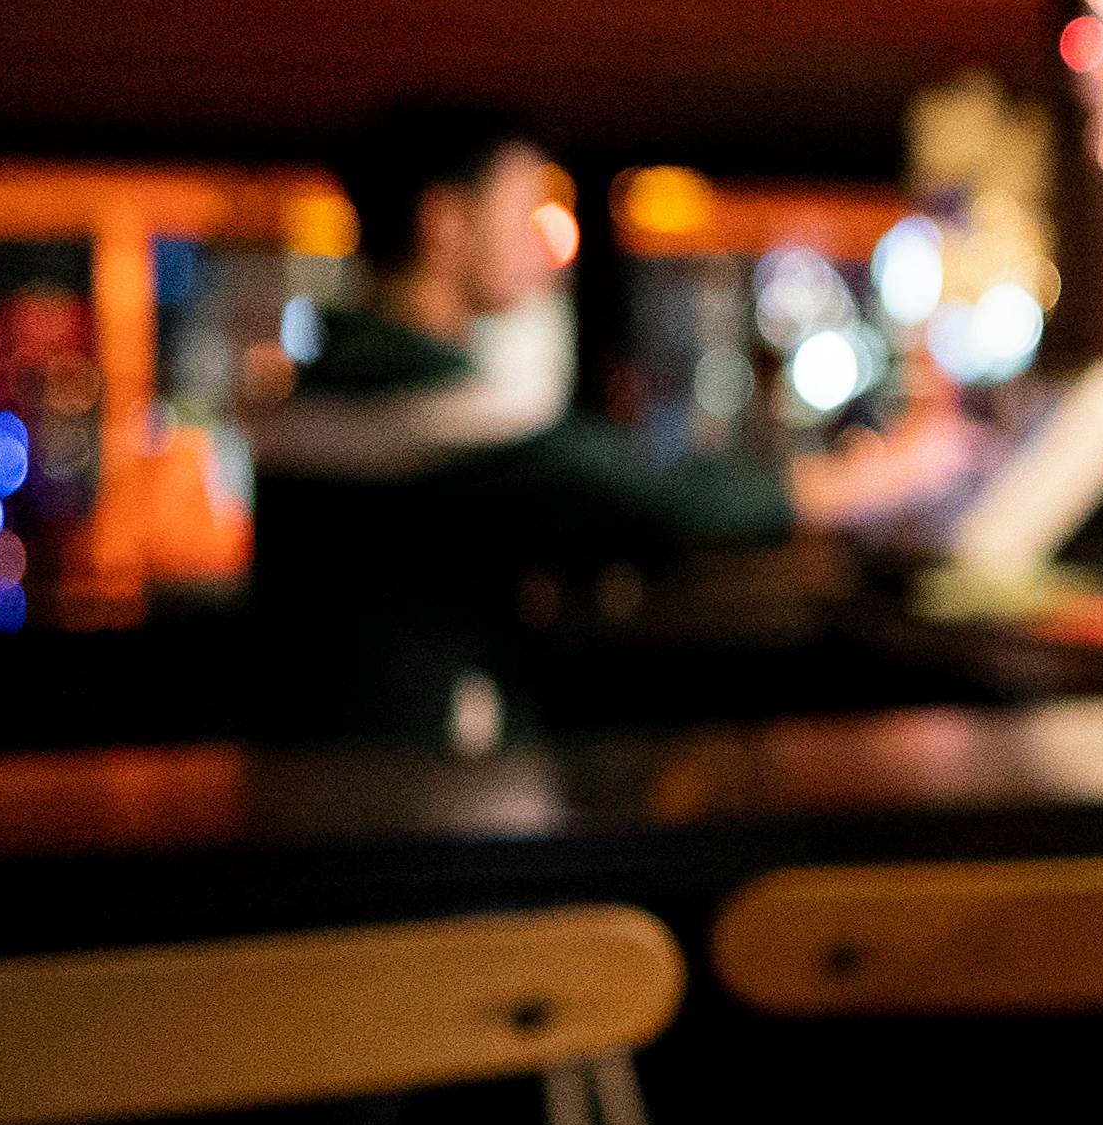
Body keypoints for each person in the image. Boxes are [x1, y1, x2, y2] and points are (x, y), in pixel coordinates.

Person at [249, 98, 969, 744]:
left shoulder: (318, 388)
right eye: (525, 212)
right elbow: (655, 495)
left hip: (313, 774)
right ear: (445, 222)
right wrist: (876, 477)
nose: (543, 248)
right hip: (414, 788)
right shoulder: (421, 410)